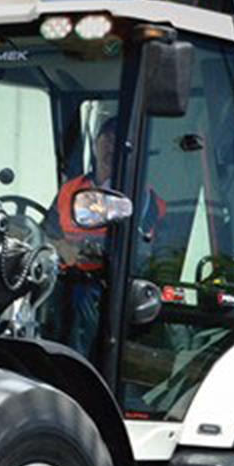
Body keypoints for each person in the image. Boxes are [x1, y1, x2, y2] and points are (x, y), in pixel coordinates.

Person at [42, 116, 163, 356]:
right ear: (96, 145)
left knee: (84, 304)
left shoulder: (143, 198)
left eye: (117, 141)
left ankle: (74, 369)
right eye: (105, 139)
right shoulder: (70, 189)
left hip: (109, 283)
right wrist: (61, 247)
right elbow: (46, 231)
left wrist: (87, 250)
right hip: (63, 276)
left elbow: (136, 246)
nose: (109, 146)